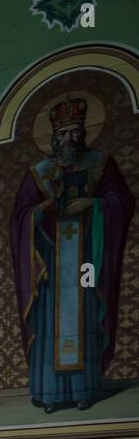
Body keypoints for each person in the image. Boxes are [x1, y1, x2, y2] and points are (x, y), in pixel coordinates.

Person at [9, 97, 134, 413]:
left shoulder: (99, 164)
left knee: (86, 315)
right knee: (52, 323)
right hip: (51, 266)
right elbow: (20, 217)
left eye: (75, 132)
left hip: (87, 259)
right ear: (54, 137)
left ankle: (83, 390)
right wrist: (41, 210)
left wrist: (94, 205)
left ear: (84, 132)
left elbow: (122, 199)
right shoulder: (39, 172)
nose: (69, 139)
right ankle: (51, 395)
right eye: (63, 133)